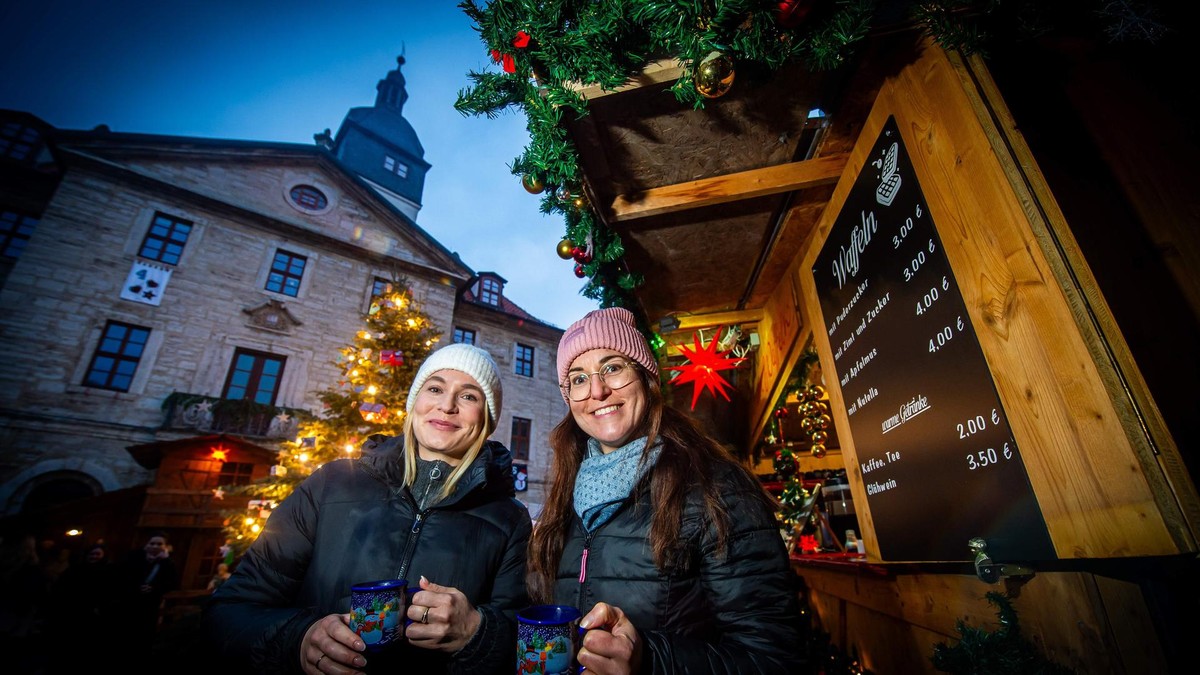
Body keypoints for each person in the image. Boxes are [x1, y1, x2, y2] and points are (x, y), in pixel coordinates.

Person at [204, 343, 532, 674]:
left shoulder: (509, 520)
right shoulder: (332, 484)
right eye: (435, 388)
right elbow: (231, 610)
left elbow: (523, 642)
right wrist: (297, 639)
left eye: (469, 396)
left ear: (486, 418)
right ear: (414, 402)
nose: (446, 406)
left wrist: (477, 632)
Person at [529, 307, 808, 674]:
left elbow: (774, 658)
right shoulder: (566, 494)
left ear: (646, 377)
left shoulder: (716, 488)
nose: (597, 390)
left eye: (613, 367)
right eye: (578, 379)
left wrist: (649, 658)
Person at [114, 531, 180, 647]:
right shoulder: (135, 557)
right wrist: (136, 587)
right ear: (147, 544)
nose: (155, 546)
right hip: (129, 602)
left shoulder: (167, 562)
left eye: (159, 544)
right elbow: (122, 576)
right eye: (152, 543)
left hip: (150, 604)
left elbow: (172, 582)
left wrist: (155, 588)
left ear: (165, 546)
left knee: (144, 635)